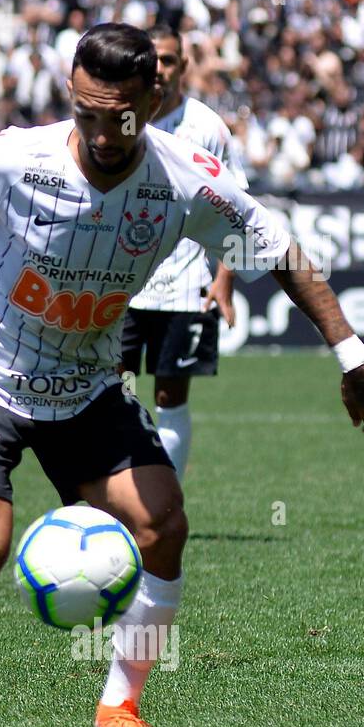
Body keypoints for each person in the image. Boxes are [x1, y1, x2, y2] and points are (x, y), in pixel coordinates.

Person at [0, 24, 364, 727]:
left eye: (117, 115)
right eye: (84, 111)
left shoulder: (187, 178)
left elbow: (280, 253)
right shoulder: (18, 155)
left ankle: (119, 707)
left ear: (154, 98)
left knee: (163, 527)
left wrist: (350, 354)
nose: (100, 131)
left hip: (86, 386)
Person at [120, 24, 244, 479]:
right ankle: (113, 500)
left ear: (183, 66)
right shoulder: (119, 118)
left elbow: (236, 211)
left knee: (171, 397)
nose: (159, 70)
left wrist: (224, 281)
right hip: (121, 289)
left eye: (169, 60)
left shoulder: (207, 127)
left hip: (186, 289)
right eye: (151, 59)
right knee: (114, 393)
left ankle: (163, 503)